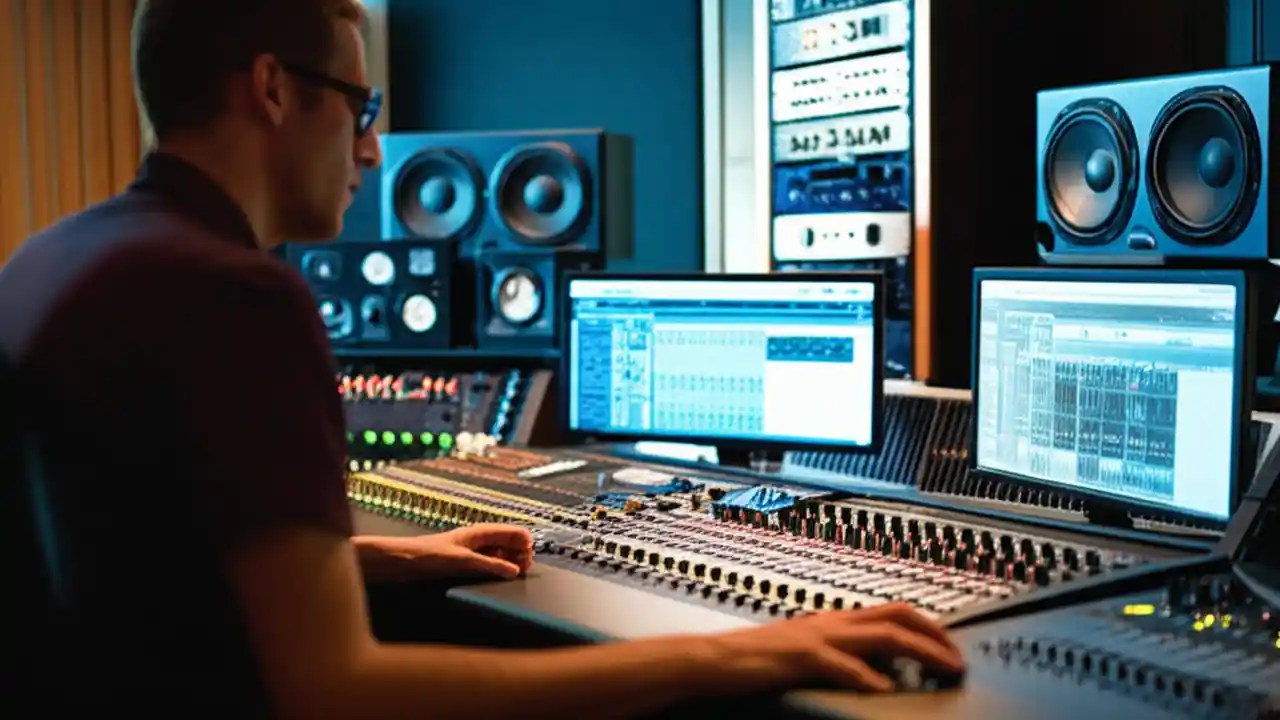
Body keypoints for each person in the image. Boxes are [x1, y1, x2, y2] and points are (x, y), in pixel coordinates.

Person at [0, 1, 965, 717]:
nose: (372, 153)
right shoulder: (236, 296)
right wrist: (757, 653)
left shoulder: (55, 257)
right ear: (272, 88)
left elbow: (145, 554)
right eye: (359, 106)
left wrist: (381, 555)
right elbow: (338, 690)